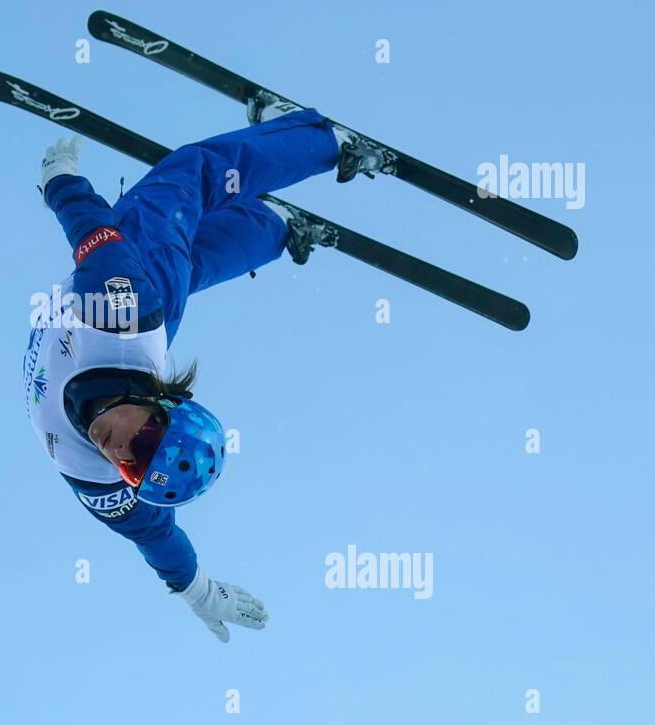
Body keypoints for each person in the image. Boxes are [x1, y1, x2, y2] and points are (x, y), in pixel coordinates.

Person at [22, 93, 391, 641]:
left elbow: (156, 537)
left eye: (133, 468)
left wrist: (196, 590)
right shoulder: (118, 309)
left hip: (143, 316)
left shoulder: (94, 475)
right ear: (160, 407)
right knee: (194, 175)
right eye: (144, 443)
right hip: (125, 302)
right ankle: (321, 142)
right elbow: (92, 237)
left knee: (188, 264)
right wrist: (62, 186)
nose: (121, 453)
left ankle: (270, 226)